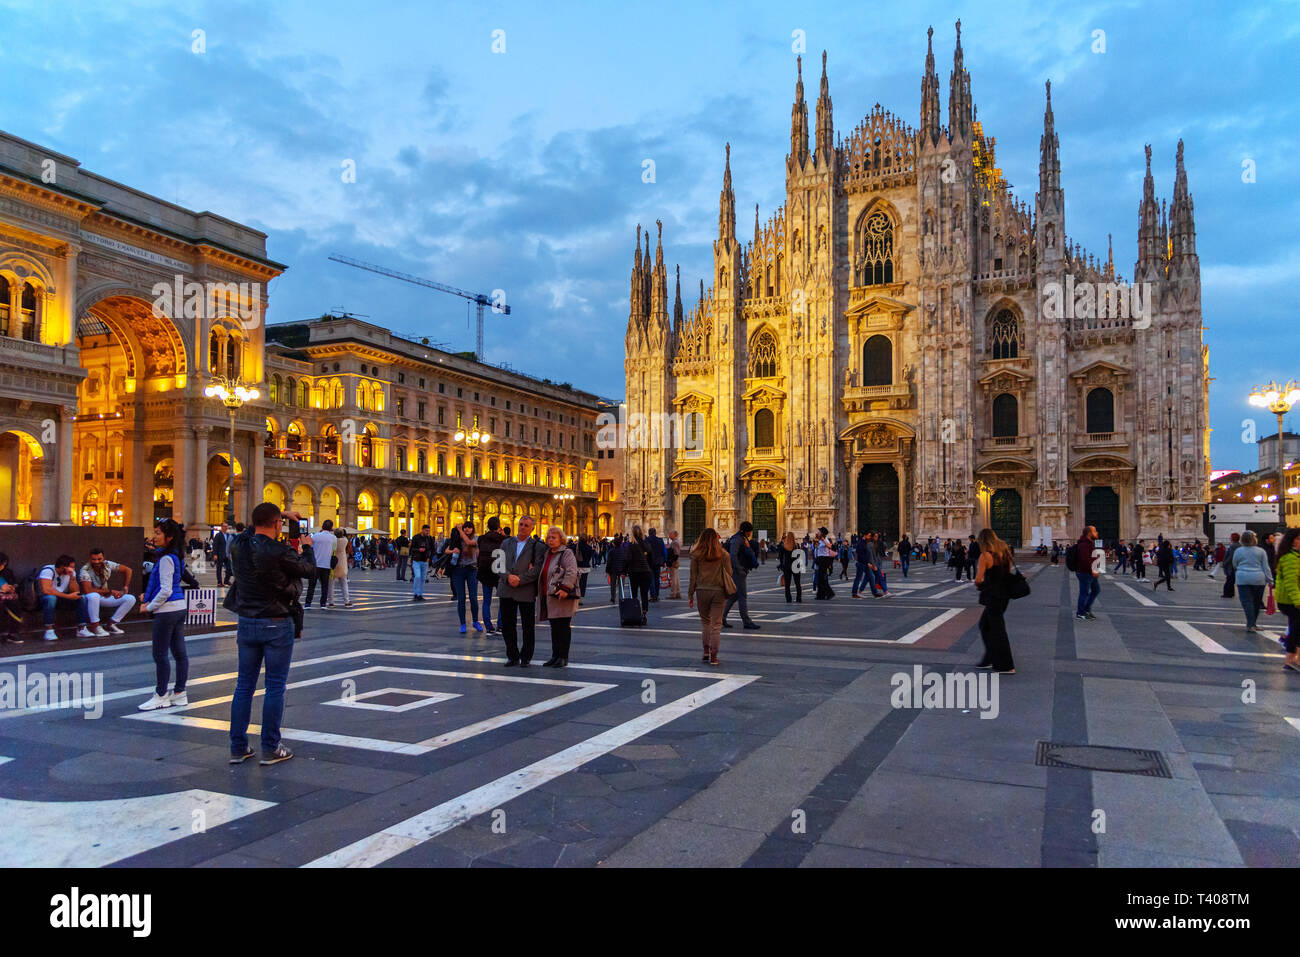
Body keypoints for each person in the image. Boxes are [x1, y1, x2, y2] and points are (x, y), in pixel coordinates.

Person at [225, 503, 317, 765]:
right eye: (280, 523)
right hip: (276, 622)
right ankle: (270, 747)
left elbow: (250, 532)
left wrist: (282, 517)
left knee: (244, 685)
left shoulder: (238, 546)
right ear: (277, 523)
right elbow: (309, 571)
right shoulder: (279, 551)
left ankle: (238, 747)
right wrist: (307, 545)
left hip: (247, 621)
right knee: (275, 685)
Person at [138, 519, 190, 711]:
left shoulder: (166, 559)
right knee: (179, 653)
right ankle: (179, 693)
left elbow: (166, 590)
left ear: (169, 537)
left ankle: (161, 695)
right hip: (178, 607)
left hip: (167, 610)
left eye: (159, 533)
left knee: (160, 654)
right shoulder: (176, 556)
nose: (155, 536)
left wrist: (149, 606)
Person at [498, 515, 544, 667]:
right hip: (506, 588)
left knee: (528, 626)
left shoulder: (537, 546)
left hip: (525, 590)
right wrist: (508, 577)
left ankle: (526, 657)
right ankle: (512, 655)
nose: (522, 527)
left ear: (532, 529)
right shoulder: (505, 542)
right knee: (507, 625)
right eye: (521, 524)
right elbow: (498, 564)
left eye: (526, 525)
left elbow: (538, 568)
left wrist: (520, 579)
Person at [689, 528, 733, 667]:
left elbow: (693, 577)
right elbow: (730, 573)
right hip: (719, 591)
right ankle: (714, 657)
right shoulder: (723, 554)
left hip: (701, 591)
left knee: (705, 622)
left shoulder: (696, 554)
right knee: (716, 625)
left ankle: (706, 651)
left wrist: (690, 594)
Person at [974, 527, 1015, 674]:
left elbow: (979, 578)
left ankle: (1006, 665)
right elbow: (1008, 571)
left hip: (993, 596)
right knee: (985, 625)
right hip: (1004, 595)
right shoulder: (1005, 552)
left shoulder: (985, 555)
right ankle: (989, 658)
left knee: (997, 630)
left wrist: (979, 584)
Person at [538, 526, 580, 668]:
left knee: (563, 627)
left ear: (561, 539)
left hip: (562, 595)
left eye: (553, 538)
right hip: (550, 595)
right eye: (549, 538)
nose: (550, 540)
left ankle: (563, 657)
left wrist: (565, 588)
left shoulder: (566, 553)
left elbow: (572, 571)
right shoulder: (547, 553)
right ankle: (555, 656)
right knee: (554, 627)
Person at [78, 548, 137, 635]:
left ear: (103, 558)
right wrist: (111, 591)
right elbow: (88, 590)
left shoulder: (107, 564)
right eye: (94, 559)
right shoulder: (85, 569)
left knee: (130, 598)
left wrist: (126, 586)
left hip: (104, 597)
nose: (97, 562)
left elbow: (128, 570)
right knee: (94, 595)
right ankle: (95, 627)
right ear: (90, 559)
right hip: (89, 599)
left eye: (99, 559)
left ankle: (111, 624)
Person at [39, 555, 94, 641]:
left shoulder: (71, 573)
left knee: (81, 597)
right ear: (62, 566)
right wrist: (68, 596)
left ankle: (82, 629)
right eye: (71, 567)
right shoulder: (47, 570)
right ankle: (49, 630)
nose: (73, 569)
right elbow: (46, 590)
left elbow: (75, 591)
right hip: (45, 599)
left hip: (62, 598)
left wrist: (72, 577)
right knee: (51, 598)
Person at [1231, 530, 1274, 633]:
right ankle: (1252, 623)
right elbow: (1266, 567)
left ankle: (1250, 624)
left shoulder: (1238, 551)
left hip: (1243, 579)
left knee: (1247, 602)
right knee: (1256, 602)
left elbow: (1234, 564)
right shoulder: (1261, 551)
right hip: (1259, 579)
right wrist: (1270, 580)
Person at [722, 522, 761, 629]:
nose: (750, 533)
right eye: (750, 531)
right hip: (737, 572)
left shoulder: (741, 538)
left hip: (739, 571)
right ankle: (746, 621)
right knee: (742, 596)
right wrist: (739, 569)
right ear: (747, 531)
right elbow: (732, 555)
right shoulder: (737, 539)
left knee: (734, 596)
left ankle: (721, 617)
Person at [1272, 528, 1299, 672]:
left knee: (1296, 628)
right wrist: (1298, 600)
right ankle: (1291, 659)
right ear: (1291, 541)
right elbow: (1291, 582)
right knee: (1296, 629)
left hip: (1291, 599)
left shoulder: (1295, 556)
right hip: (1290, 600)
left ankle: (1294, 659)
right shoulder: (1289, 558)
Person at [449, 521, 482, 634]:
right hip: (458, 570)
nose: (467, 529)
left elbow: (468, 542)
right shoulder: (458, 538)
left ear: (473, 529)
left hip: (471, 570)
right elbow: (446, 550)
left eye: (469, 527)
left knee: (473, 597)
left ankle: (475, 621)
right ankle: (462, 623)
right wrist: (453, 550)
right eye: (465, 528)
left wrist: (459, 530)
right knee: (461, 598)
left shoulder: (476, 538)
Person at [477, 516, 505, 634]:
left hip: (485, 571)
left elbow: (478, 553)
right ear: (498, 526)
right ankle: (500, 625)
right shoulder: (503, 539)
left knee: (486, 600)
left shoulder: (481, 538)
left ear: (487, 526)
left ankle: (488, 627)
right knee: (502, 600)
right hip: (498, 571)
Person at [625, 525, 654, 624]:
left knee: (634, 594)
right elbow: (650, 558)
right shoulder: (646, 544)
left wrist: (624, 571)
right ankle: (644, 613)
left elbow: (628, 559)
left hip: (634, 572)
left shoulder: (631, 545)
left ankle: (635, 612)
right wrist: (649, 568)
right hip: (645, 572)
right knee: (644, 594)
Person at [305, 519, 335, 608]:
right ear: (331, 528)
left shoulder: (315, 536)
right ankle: (323, 604)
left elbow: (311, 546)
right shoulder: (333, 538)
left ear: (322, 526)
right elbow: (334, 549)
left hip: (315, 564)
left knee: (311, 585)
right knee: (325, 586)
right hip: (326, 564)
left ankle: (308, 603)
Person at [1075, 525, 1101, 621]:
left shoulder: (1090, 543)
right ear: (1089, 533)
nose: (1097, 532)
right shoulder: (1084, 544)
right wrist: (1093, 570)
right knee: (1084, 593)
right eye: (1095, 531)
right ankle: (1081, 613)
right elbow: (1085, 560)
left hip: (1089, 573)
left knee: (1096, 590)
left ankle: (1086, 610)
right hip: (1085, 573)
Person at [328, 529, 353, 607]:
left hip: (333, 562)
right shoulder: (345, 540)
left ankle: (331, 601)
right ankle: (346, 600)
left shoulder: (332, 540)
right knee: (344, 583)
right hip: (342, 562)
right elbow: (345, 535)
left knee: (331, 584)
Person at [409, 523, 434, 601]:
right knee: (418, 576)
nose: (427, 532)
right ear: (422, 530)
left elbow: (433, 549)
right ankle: (415, 594)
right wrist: (418, 550)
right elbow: (411, 549)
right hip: (416, 560)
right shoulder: (416, 537)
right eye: (426, 530)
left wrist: (429, 557)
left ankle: (420, 594)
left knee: (423, 578)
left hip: (425, 560)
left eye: (428, 531)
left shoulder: (429, 538)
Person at [778, 531, 803, 603]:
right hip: (795, 566)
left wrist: (782, 566)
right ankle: (799, 598)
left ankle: (788, 599)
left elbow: (781, 557)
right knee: (797, 583)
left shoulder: (784, 546)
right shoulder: (797, 545)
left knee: (787, 585)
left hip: (787, 566)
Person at [606, 534, 627, 604]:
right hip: (621, 570)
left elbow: (609, 562)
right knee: (621, 585)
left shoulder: (611, 551)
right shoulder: (623, 551)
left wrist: (607, 571)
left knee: (613, 585)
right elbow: (625, 561)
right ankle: (621, 598)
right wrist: (625, 572)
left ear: (614, 544)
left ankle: (613, 598)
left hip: (613, 570)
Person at [646, 527, 666, 602]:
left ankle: (653, 595)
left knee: (651, 580)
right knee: (657, 579)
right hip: (658, 562)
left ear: (649, 533)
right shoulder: (660, 540)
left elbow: (645, 552)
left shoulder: (647, 540)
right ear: (655, 533)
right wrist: (664, 561)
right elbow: (663, 551)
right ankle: (657, 595)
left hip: (649, 563)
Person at [212, 522, 231, 587]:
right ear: (222, 527)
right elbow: (215, 545)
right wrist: (215, 554)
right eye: (225, 526)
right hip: (220, 554)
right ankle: (219, 582)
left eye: (227, 526)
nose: (226, 528)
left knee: (229, 568)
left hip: (227, 555)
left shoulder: (229, 535)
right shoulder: (218, 535)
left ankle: (226, 581)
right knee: (219, 569)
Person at [665, 531, 682, 599]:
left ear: (674, 535)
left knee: (673, 578)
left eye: (670, 534)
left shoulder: (675, 542)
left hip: (673, 563)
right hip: (675, 562)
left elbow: (676, 553)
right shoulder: (675, 541)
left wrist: (672, 562)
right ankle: (677, 592)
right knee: (676, 578)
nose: (669, 535)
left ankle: (673, 593)